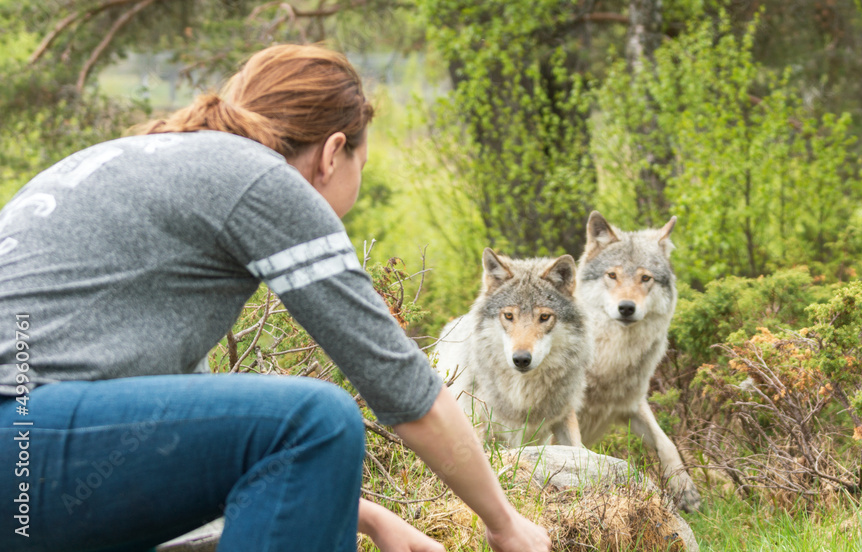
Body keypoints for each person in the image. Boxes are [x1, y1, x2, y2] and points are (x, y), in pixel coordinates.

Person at [0, 44, 552, 552]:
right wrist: (505, 523)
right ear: (335, 152)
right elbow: (401, 385)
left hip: (29, 460)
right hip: (29, 443)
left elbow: (180, 427)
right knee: (318, 419)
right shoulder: (259, 177)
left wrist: (369, 516)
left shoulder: (137, 160)